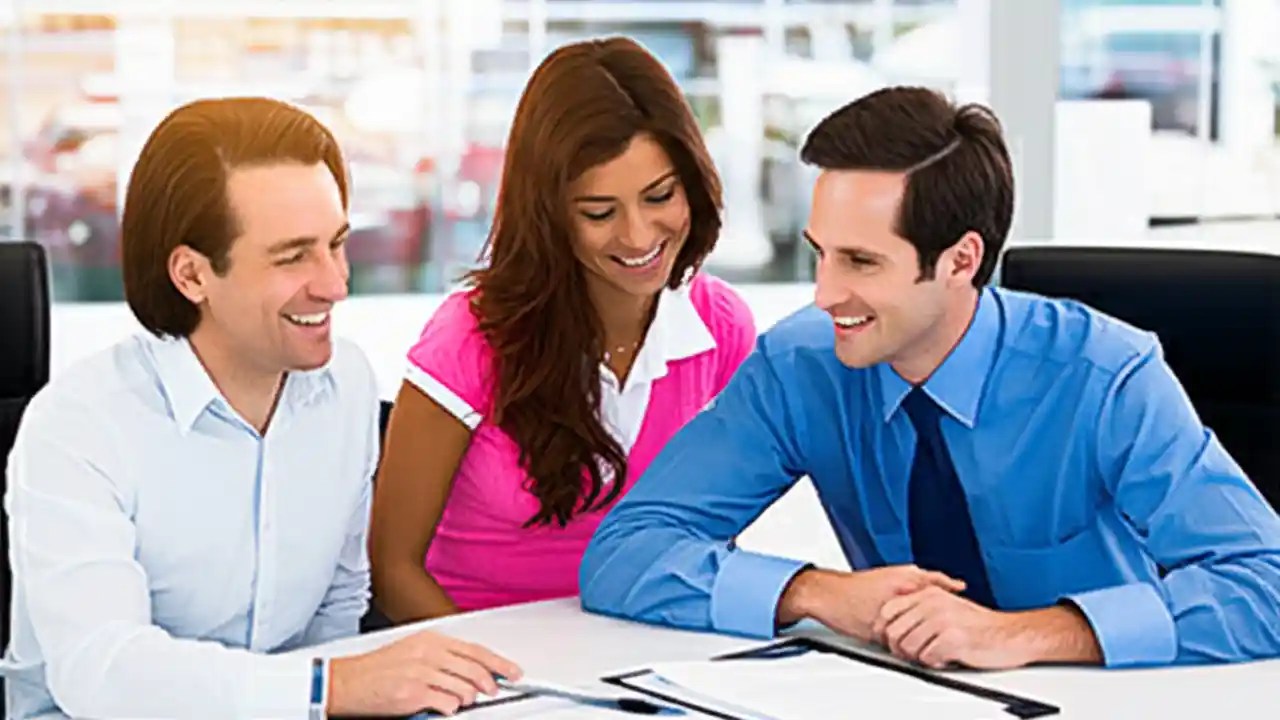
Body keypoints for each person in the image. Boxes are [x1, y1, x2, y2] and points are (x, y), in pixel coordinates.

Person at [580, 86, 1280, 670]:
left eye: (860, 262)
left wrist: (1025, 634)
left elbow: (1265, 584)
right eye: (821, 254)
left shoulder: (1105, 378)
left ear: (960, 260)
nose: (824, 294)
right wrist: (816, 592)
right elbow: (625, 553)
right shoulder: (800, 367)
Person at [1, 97, 519, 719]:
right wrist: (330, 688)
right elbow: (103, 673)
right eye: (294, 256)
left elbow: (338, 606)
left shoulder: (345, 385)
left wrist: (339, 695)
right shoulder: (79, 425)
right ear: (192, 276)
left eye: (337, 244)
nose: (335, 284)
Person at [368, 37, 756, 621]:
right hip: (479, 657)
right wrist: (494, 675)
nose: (638, 235)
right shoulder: (470, 337)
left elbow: (711, 541)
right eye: (599, 212)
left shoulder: (722, 329)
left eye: (660, 196)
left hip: (647, 647)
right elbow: (392, 570)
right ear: (549, 214)